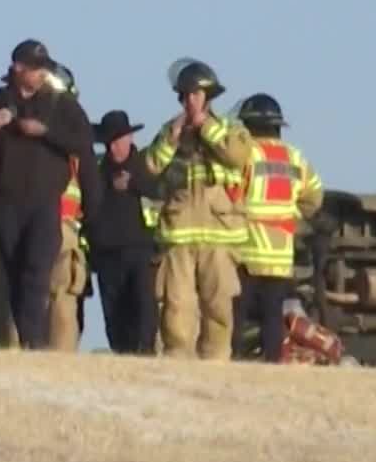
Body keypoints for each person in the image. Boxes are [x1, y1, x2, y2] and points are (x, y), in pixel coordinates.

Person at [0, 39, 94, 350]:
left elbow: (83, 143)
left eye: (41, 69)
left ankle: (32, 342)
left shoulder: (61, 105)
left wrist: (45, 133)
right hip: (5, 203)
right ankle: (22, 338)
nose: (38, 75)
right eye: (32, 68)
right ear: (17, 68)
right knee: (12, 273)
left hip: (44, 204)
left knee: (36, 272)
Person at [144, 60, 254, 361]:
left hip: (220, 236)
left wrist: (206, 127)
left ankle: (216, 363)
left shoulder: (232, 129)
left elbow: (237, 156)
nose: (189, 101)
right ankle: (178, 361)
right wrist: (171, 139)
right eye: (185, 95)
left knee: (218, 307)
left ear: (208, 96)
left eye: (195, 94)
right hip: (179, 235)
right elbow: (151, 166)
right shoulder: (171, 130)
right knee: (176, 306)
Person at [228, 94, 326, 364]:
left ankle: (234, 361)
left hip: (247, 252)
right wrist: (293, 213)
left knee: (236, 315)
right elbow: (315, 197)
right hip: (280, 256)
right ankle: (272, 364)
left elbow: (231, 193)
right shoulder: (295, 158)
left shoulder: (246, 155)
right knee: (273, 318)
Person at [85, 109, 164, 354]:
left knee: (143, 311)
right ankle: (121, 357)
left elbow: (162, 194)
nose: (113, 148)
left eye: (117, 141)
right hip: (107, 255)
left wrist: (134, 184)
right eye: (108, 143)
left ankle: (145, 353)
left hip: (141, 252)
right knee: (114, 316)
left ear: (130, 139)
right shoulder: (97, 171)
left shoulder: (146, 166)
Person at [43, 63, 103, 352]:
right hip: (63, 227)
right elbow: (92, 189)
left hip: (52, 226)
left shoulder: (29, 125)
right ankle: (59, 362)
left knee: (35, 297)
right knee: (62, 299)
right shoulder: (76, 135)